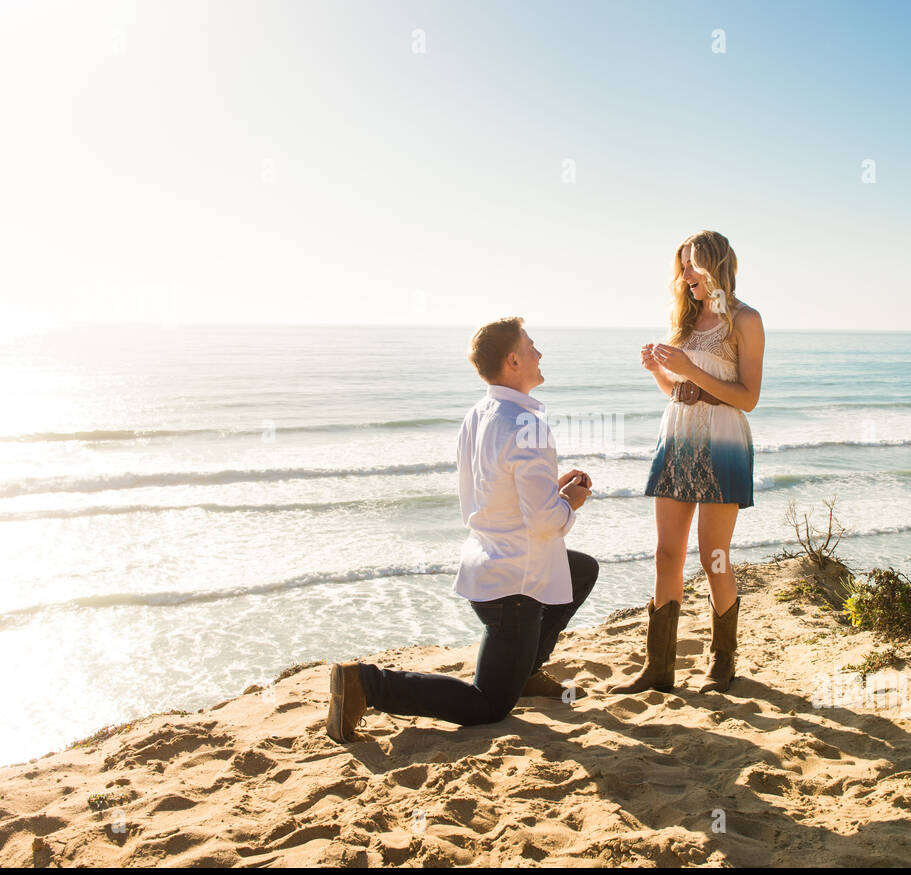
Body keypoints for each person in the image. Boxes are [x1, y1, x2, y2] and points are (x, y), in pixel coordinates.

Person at [327, 317, 598, 742]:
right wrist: (568, 502)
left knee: (581, 569)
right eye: (531, 347)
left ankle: (526, 671)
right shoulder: (528, 426)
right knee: (487, 705)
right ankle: (366, 683)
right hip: (516, 589)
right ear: (513, 360)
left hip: (485, 566)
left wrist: (552, 488)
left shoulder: (480, 414)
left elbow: (496, 488)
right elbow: (546, 523)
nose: (539, 353)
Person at [614, 230, 764, 695]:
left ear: (716, 265)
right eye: (682, 267)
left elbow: (748, 398)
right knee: (666, 555)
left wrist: (689, 368)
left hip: (723, 440)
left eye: (693, 267)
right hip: (677, 435)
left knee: (713, 557)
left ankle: (723, 662)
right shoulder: (682, 317)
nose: (686, 276)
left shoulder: (746, 320)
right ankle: (658, 668)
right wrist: (661, 371)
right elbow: (679, 391)